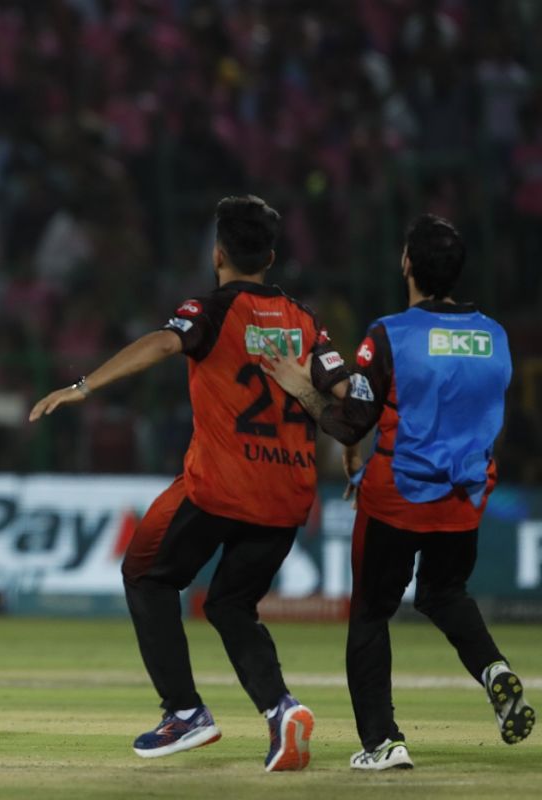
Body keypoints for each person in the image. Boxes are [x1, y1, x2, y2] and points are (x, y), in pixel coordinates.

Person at [29, 196, 349, 771]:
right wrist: (350, 452)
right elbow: (342, 392)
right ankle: (281, 710)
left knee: (144, 575)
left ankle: (184, 712)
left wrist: (84, 386)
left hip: (221, 485)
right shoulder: (304, 319)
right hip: (288, 494)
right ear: (271, 256)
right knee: (230, 604)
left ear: (218, 253)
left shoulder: (210, 308)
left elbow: (161, 342)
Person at [259, 214, 534, 770]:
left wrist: (300, 389)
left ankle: (382, 742)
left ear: (407, 264)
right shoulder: (496, 336)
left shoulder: (390, 333)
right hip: (464, 500)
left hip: (397, 497)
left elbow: (350, 423)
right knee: (443, 593)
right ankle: (493, 670)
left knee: (371, 614)